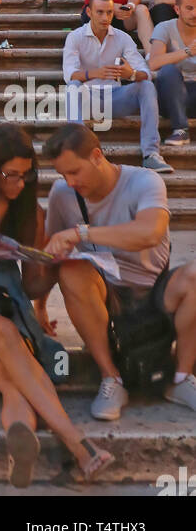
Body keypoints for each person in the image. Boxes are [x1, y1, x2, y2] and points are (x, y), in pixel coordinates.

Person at [0, 125, 111, 484]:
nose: (18, 184)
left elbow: (29, 284)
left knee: (9, 375)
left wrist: (53, 264)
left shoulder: (30, 210)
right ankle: (78, 444)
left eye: (26, 175)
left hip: (6, 300)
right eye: (10, 175)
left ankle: (19, 445)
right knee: (7, 336)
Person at [42, 123, 196, 419]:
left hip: (154, 291)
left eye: (74, 172)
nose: (69, 182)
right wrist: (39, 305)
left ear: (97, 156)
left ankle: (180, 378)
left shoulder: (144, 181)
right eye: (62, 174)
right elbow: (54, 254)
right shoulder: (62, 194)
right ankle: (112, 379)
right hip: (105, 294)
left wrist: (81, 233)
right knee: (71, 271)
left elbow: (149, 232)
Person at [62, 0, 168, 173]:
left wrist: (131, 74)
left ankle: (151, 154)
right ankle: (79, 151)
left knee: (147, 86)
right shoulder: (75, 37)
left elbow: (145, 73)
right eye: (100, 12)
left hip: (115, 98)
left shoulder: (122, 38)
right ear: (89, 12)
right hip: (88, 100)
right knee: (73, 87)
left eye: (109, 13)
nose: (105, 18)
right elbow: (69, 75)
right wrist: (94, 73)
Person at [149, 0, 196, 146]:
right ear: (177, 9)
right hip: (170, 95)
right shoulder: (165, 28)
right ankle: (180, 130)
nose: (194, 13)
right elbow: (153, 63)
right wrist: (187, 51)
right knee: (168, 70)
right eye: (189, 8)